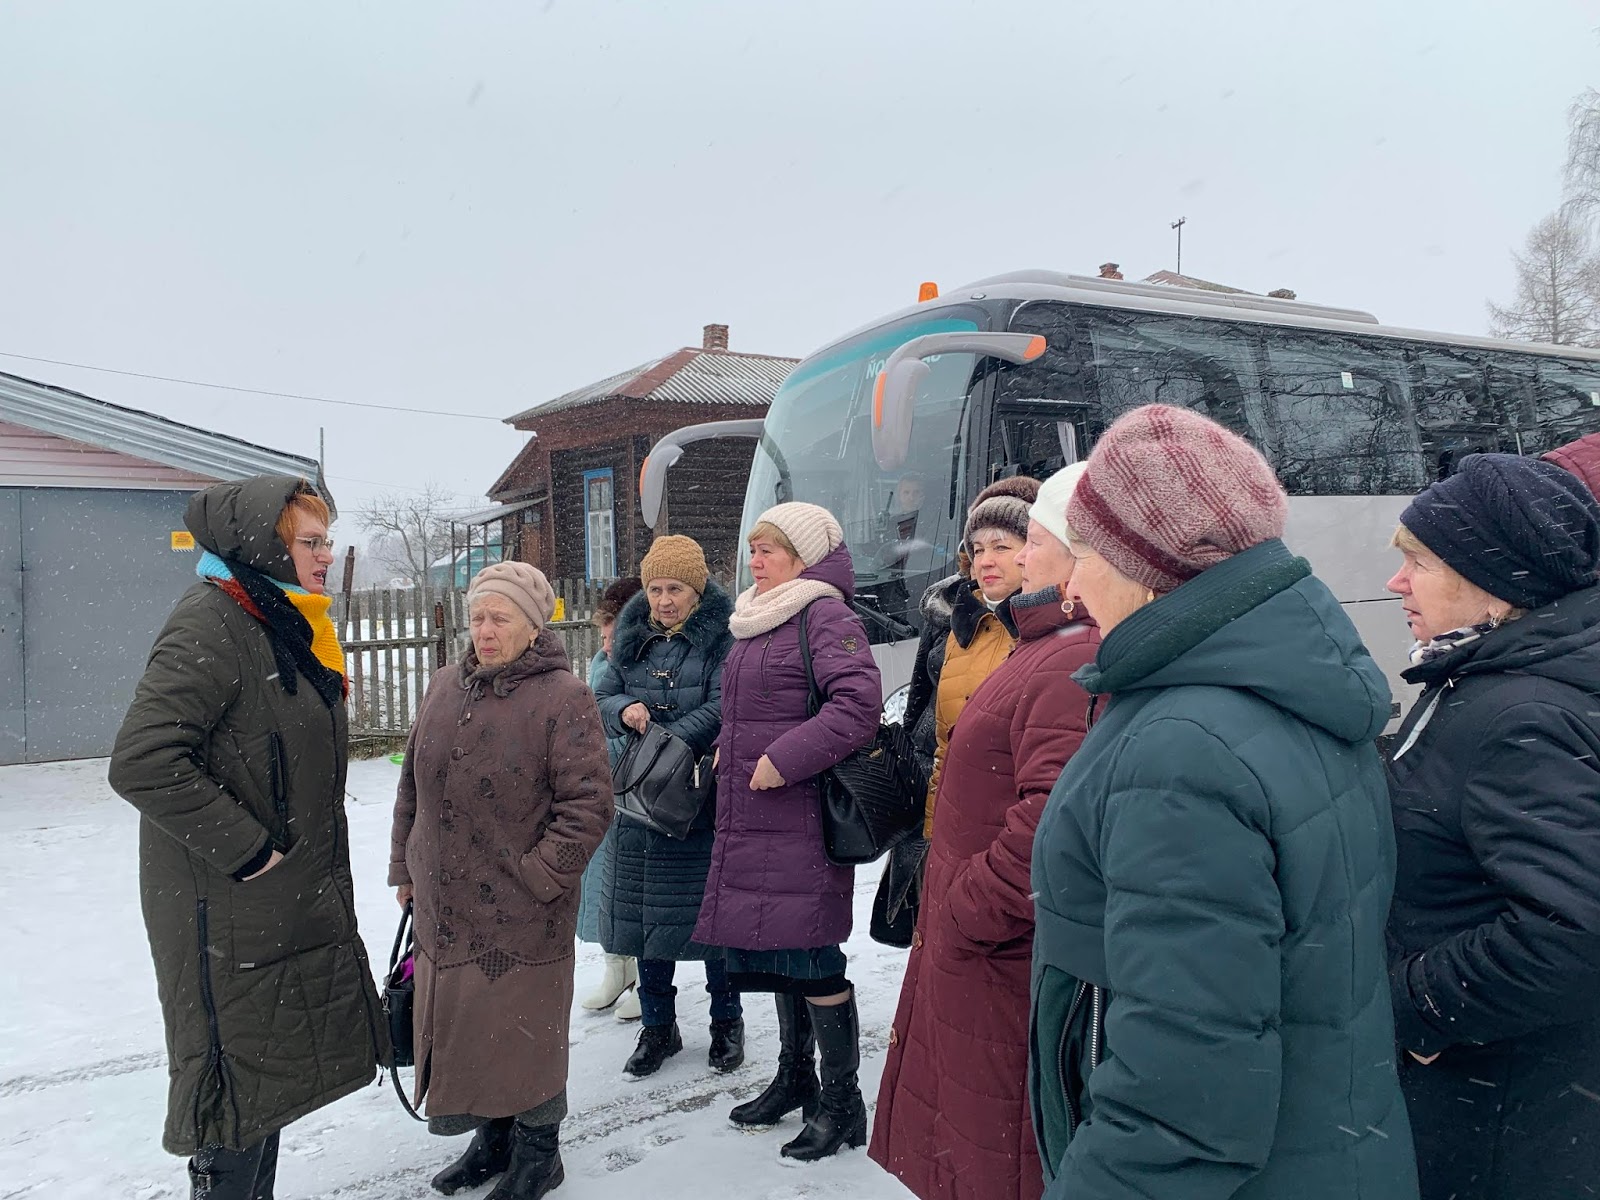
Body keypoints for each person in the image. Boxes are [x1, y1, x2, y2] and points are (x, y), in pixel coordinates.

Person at [1030, 405, 1417, 1200]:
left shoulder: (1181, 748)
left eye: (1086, 554)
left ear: (1143, 568)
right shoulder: (1290, 690)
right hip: (1327, 1144)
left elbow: (1181, 1091)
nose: (1069, 586)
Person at [108, 475, 386, 1200]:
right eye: (311, 542)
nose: (326, 555)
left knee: (269, 1085)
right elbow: (144, 760)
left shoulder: (278, 618)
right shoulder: (211, 622)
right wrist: (251, 851)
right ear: (264, 543)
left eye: (327, 540)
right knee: (232, 1092)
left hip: (275, 900)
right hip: (226, 905)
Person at [872, 464, 1099, 1200]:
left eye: (1023, 540)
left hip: (990, 916)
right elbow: (936, 728)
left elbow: (1048, 815)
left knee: (994, 1115)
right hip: (954, 862)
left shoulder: (1060, 649)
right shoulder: (965, 626)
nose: (1002, 559)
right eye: (985, 546)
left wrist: (970, 900)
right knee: (964, 1101)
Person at [1384, 454, 1600, 1200]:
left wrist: (1412, 1005)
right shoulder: (1483, 677)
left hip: (1500, 1116)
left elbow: (1573, 933)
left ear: (1494, 577)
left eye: (1417, 562)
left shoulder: (1522, 713)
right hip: (1503, 1101)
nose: (1396, 582)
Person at [390, 561, 611, 1200]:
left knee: (524, 1036)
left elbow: (588, 806)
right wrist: (405, 867)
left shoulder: (564, 698)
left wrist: (541, 877)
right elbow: (412, 785)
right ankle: (491, 1142)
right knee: (468, 1033)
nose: (484, 630)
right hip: (445, 905)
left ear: (533, 624)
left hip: (524, 911)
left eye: (500, 618)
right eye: (478, 617)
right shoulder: (441, 687)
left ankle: (539, 1155)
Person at [695, 502, 882, 1161]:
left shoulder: (826, 614)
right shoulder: (756, 616)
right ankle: (794, 1078)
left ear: (803, 557)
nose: (755, 559)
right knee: (780, 951)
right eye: (752, 547)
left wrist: (783, 758)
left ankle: (841, 1105)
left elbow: (858, 706)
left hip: (800, 815)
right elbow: (749, 708)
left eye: (769, 549)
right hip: (752, 815)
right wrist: (726, 744)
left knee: (815, 956)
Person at [593, 538, 742, 1077]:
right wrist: (624, 707)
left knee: (712, 921)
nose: (663, 600)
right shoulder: (630, 638)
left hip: (699, 797)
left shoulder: (725, 638)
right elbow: (603, 695)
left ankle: (728, 1023)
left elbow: (727, 702)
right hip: (639, 802)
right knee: (646, 921)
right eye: (655, 589)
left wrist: (669, 742)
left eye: (674, 589)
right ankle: (658, 1028)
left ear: (696, 590)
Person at [578, 576, 644, 1020]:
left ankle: (643, 967)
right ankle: (616, 965)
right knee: (603, 881)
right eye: (602, 637)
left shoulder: (644, 663)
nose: (605, 647)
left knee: (637, 884)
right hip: (599, 786)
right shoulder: (602, 663)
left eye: (612, 637)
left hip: (635, 786)